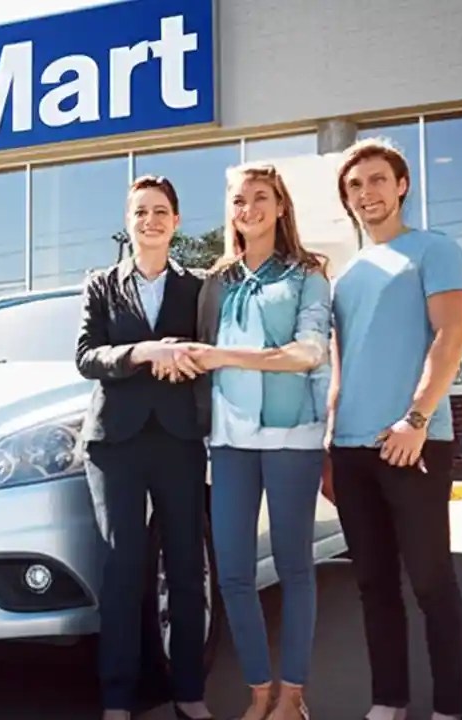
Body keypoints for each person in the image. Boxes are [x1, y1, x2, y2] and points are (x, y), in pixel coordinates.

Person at [162, 162, 331, 720]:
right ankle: (259, 692)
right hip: (229, 441)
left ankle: (293, 695)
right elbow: (197, 352)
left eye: (260, 197)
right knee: (233, 571)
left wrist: (221, 357)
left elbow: (308, 353)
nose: (248, 208)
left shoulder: (308, 275)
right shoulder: (217, 281)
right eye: (238, 199)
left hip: (292, 438)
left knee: (294, 565)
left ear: (281, 206)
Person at [327, 137, 462, 720]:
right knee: (374, 586)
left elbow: (451, 338)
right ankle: (388, 701)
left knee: (432, 584)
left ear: (402, 185)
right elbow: (340, 368)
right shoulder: (345, 276)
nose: (368, 193)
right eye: (356, 185)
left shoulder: (434, 251)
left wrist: (415, 419)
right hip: (352, 451)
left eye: (378, 180)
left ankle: (448, 709)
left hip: (413, 443)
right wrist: (328, 451)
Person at [75, 174, 214, 720]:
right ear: (127, 221)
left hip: (179, 438)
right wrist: (140, 351)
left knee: (185, 567)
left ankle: (189, 693)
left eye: (160, 212)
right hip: (116, 443)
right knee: (123, 568)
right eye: (140, 212)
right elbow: (87, 356)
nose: (150, 220)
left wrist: (188, 355)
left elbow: (214, 351)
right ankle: (117, 699)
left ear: (176, 222)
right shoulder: (101, 285)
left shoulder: (199, 287)